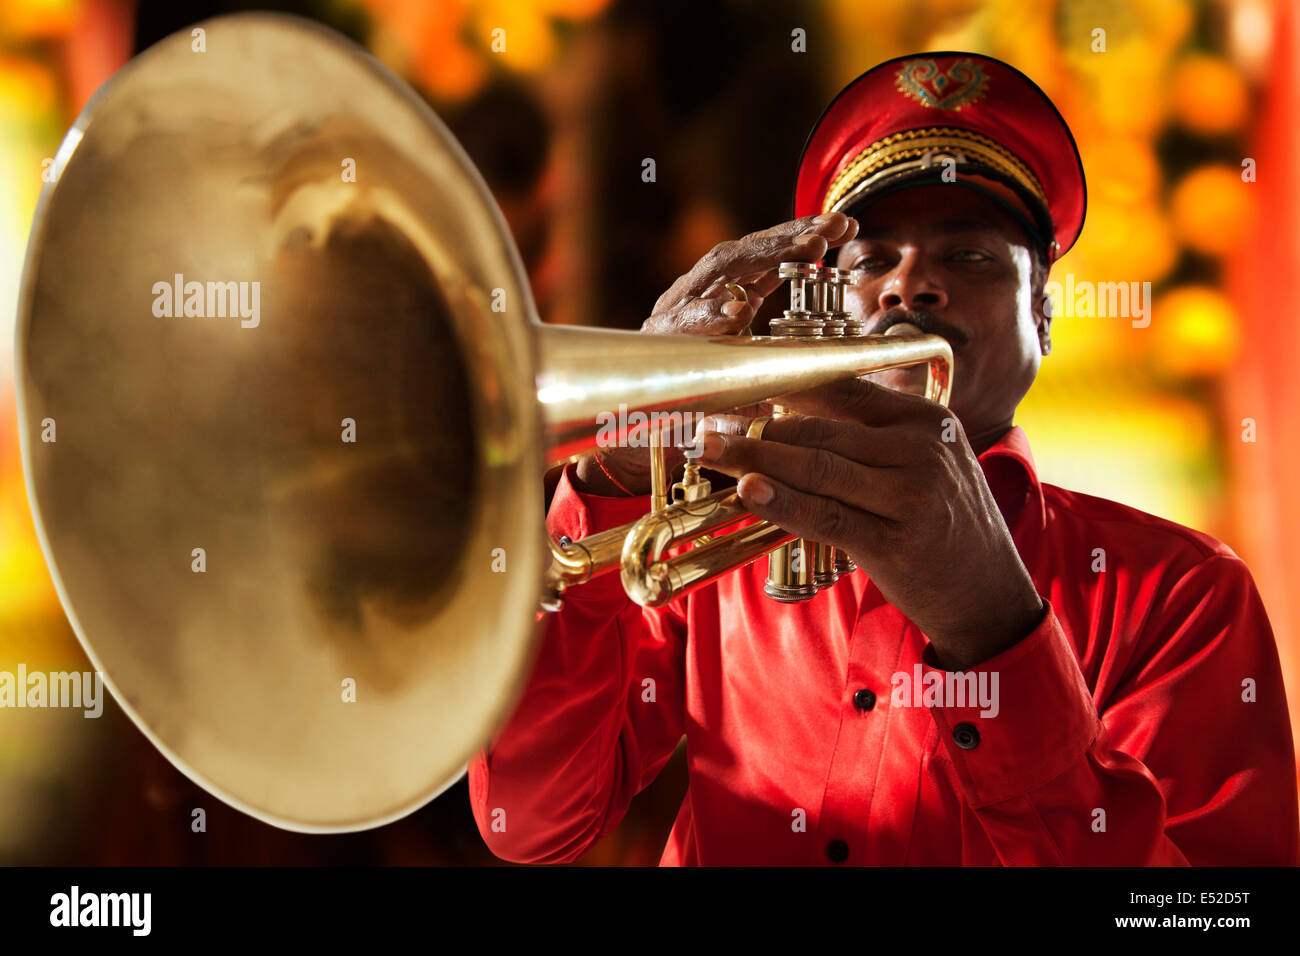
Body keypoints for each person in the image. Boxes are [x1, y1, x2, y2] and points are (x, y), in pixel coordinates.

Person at [468, 52, 1299, 865]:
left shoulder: (1186, 595)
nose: (909, 286)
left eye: (968, 255)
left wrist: (998, 635)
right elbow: (530, 822)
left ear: (1044, 317)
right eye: (869, 260)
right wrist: (610, 473)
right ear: (823, 313)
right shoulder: (705, 539)